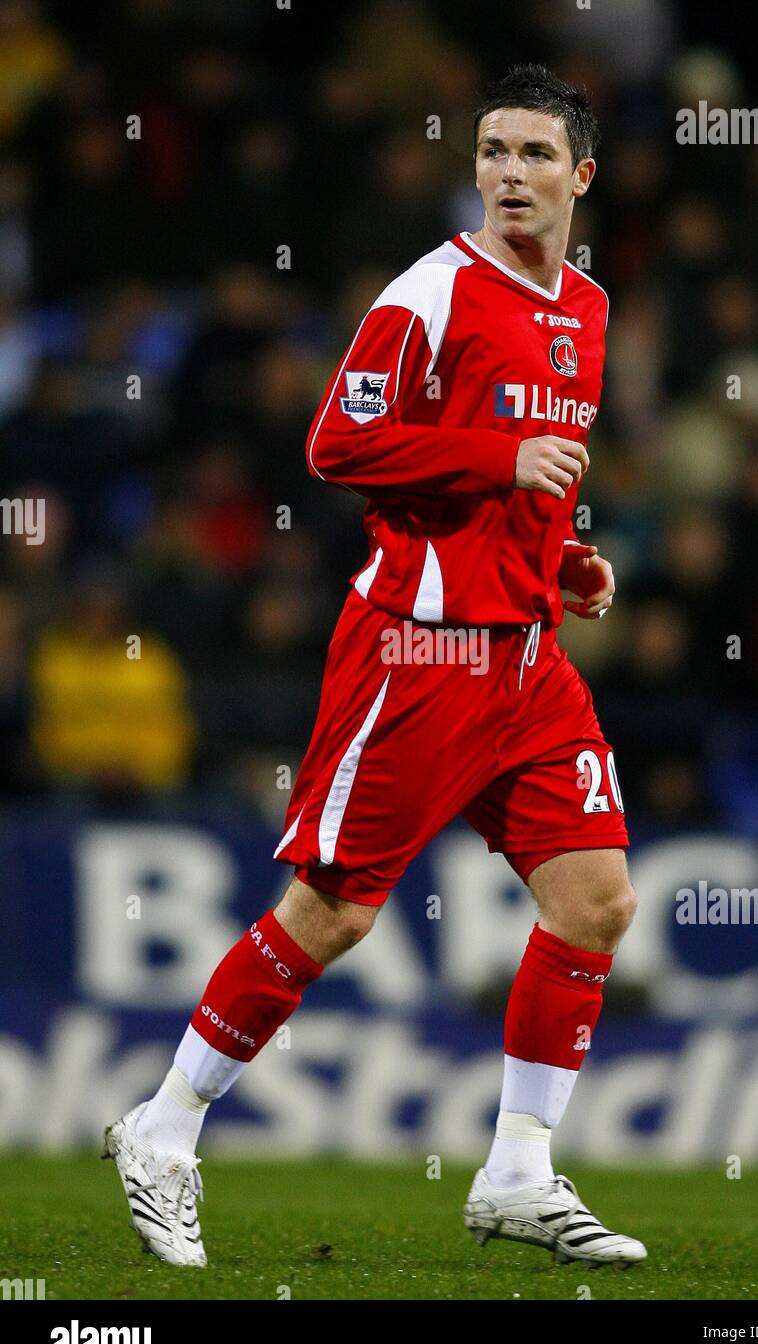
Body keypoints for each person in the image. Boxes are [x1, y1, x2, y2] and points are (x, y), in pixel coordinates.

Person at [103, 63, 646, 1272]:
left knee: (595, 900)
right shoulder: (427, 294)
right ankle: (164, 1125)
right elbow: (336, 441)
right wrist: (498, 460)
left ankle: (516, 1170)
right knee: (334, 912)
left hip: (527, 657)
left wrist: (567, 561)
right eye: (493, 151)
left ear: (580, 177)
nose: (509, 172)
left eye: (534, 155)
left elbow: (543, 480)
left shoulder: (588, 309)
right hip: (421, 649)